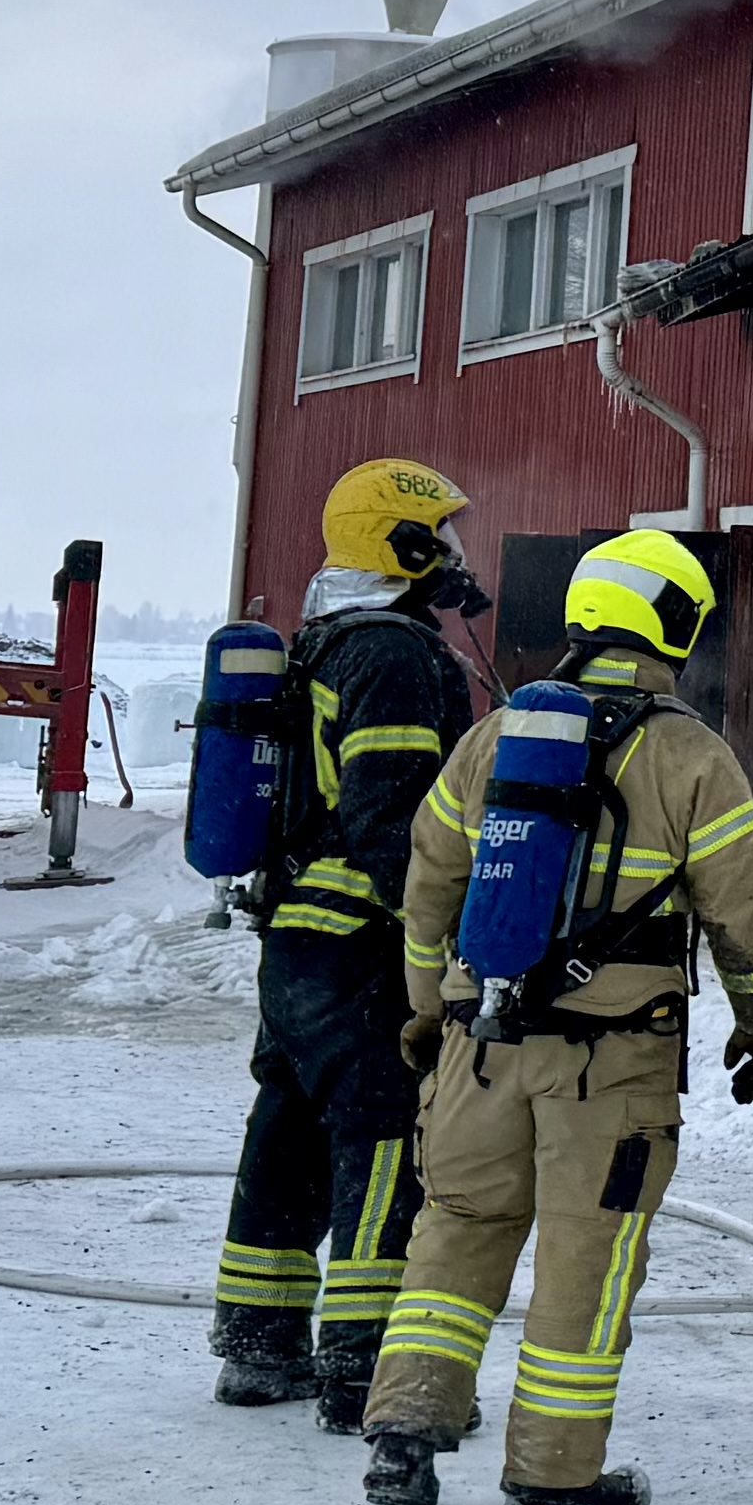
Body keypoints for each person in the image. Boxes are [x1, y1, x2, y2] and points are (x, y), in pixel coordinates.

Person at [357, 527, 753, 1505]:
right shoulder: (692, 756)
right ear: (673, 624)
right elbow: (742, 910)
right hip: (612, 1060)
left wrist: (430, 1011)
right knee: (586, 1256)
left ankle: (404, 1436)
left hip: (476, 1041)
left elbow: (430, 884)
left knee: (455, 1235)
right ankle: (554, 1475)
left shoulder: (494, 736)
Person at [207, 458, 483, 1426]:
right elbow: (394, 818)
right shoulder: (396, 657)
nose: (454, 555)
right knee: (378, 1138)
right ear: (401, 544)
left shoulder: (321, 639)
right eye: (439, 537)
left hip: (293, 944)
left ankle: (257, 1342)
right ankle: (360, 1364)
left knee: (286, 1129)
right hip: (363, 946)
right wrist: (440, 941)